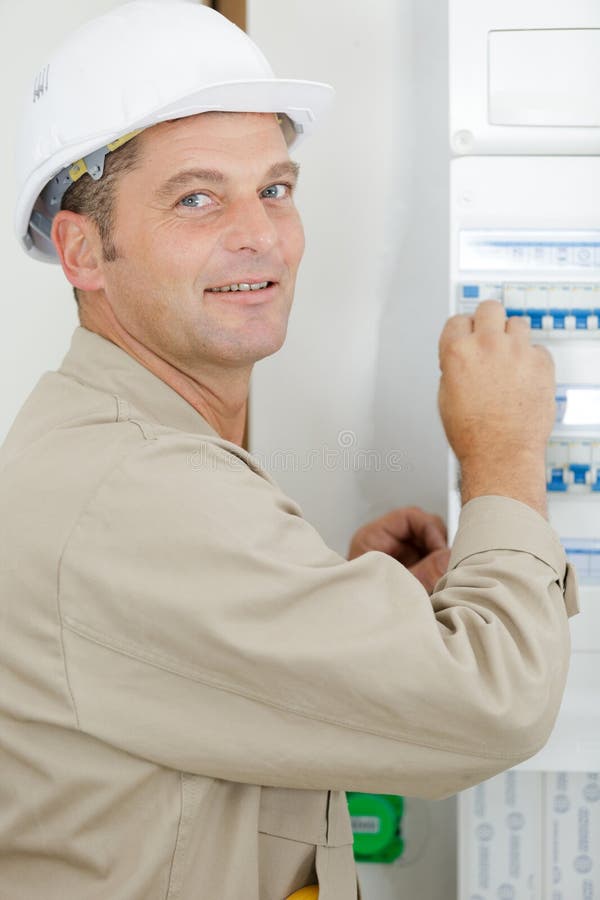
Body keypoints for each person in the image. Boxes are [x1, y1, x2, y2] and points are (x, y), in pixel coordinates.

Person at [2, 2, 577, 899]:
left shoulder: (135, 453)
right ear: (83, 250)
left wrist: (328, 614)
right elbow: (490, 706)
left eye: (274, 188)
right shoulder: (137, 489)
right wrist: (503, 452)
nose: (261, 234)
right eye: (197, 197)